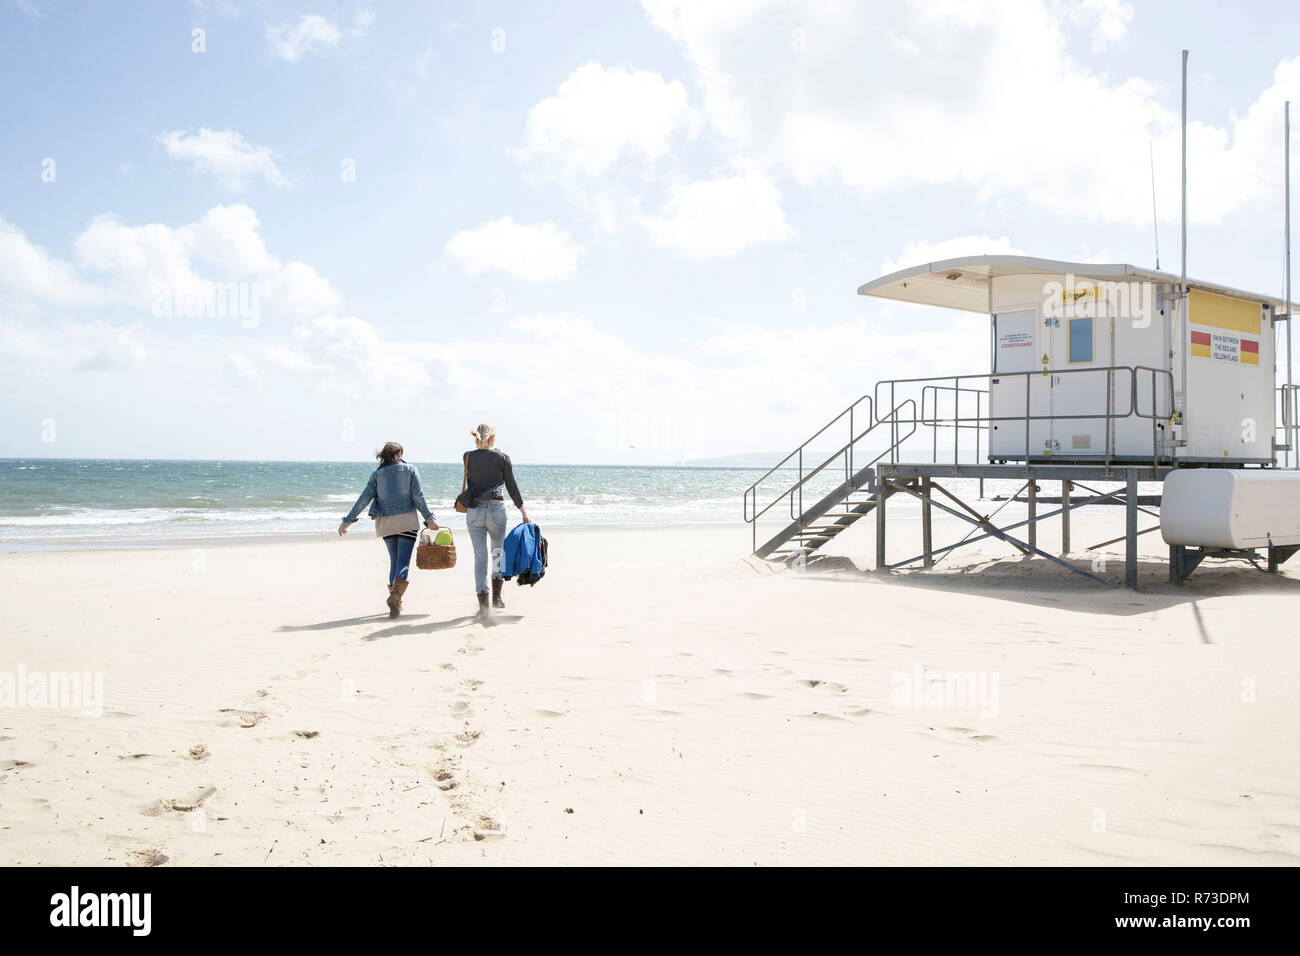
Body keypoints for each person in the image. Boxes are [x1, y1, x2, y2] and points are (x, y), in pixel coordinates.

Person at [338, 442, 438, 617]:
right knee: (403, 563)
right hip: (406, 521)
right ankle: (395, 597)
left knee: (394, 562)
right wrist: (429, 519)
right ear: (399, 453)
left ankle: (396, 604)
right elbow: (418, 496)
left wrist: (347, 522)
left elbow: (363, 499)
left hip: (385, 524)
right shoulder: (410, 469)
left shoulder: (377, 475)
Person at [461, 423, 529, 618]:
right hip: (496, 511)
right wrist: (523, 511)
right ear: (492, 438)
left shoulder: (467, 456)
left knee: (480, 558)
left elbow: (480, 467)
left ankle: (483, 605)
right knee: (498, 553)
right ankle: (497, 598)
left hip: (474, 511)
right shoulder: (502, 458)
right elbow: (511, 486)